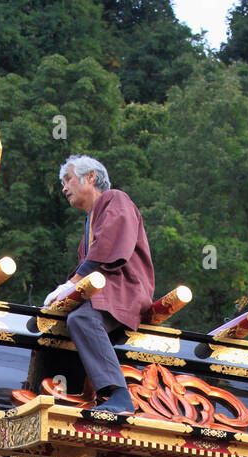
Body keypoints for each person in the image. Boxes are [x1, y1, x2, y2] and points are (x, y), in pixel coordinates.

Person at [46, 155, 155, 417]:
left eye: (68, 179)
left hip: (123, 288)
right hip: (106, 291)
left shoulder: (114, 199)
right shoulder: (92, 219)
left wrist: (70, 284)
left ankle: (119, 395)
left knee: (82, 319)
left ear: (91, 177)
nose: (64, 188)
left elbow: (109, 248)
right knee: (67, 319)